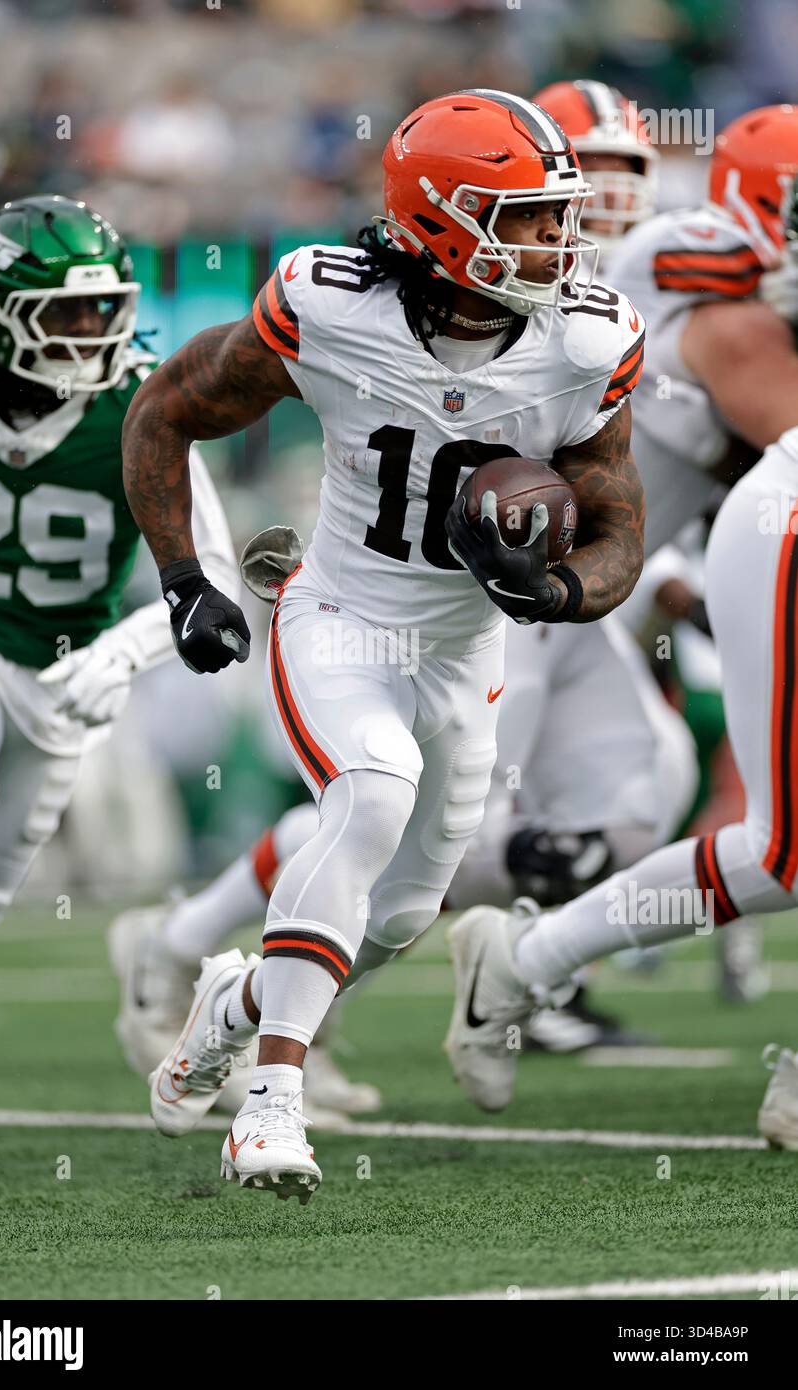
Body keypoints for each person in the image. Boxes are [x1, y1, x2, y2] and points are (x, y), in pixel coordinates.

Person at [122, 90, 647, 1203]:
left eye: (558, 216)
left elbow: (617, 525)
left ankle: (230, 999)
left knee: (402, 912)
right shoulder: (328, 304)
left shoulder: (587, 337)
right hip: (342, 621)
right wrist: (184, 577)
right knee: (369, 793)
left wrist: (551, 588)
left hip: (466, 653)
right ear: (443, 223)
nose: (560, 238)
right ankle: (267, 1110)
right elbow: (166, 407)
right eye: (527, 218)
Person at [444, 127, 798, 1123]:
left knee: (645, 799)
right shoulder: (701, 288)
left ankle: (526, 962)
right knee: (435, 840)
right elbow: (660, 266)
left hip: (608, 585)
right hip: (526, 581)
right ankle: (248, 995)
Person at [0, 194, 236, 979]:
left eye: (102, 309)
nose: (90, 331)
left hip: (69, 673)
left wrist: (129, 653)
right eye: (62, 313)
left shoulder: (141, 404)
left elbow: (215, 577)